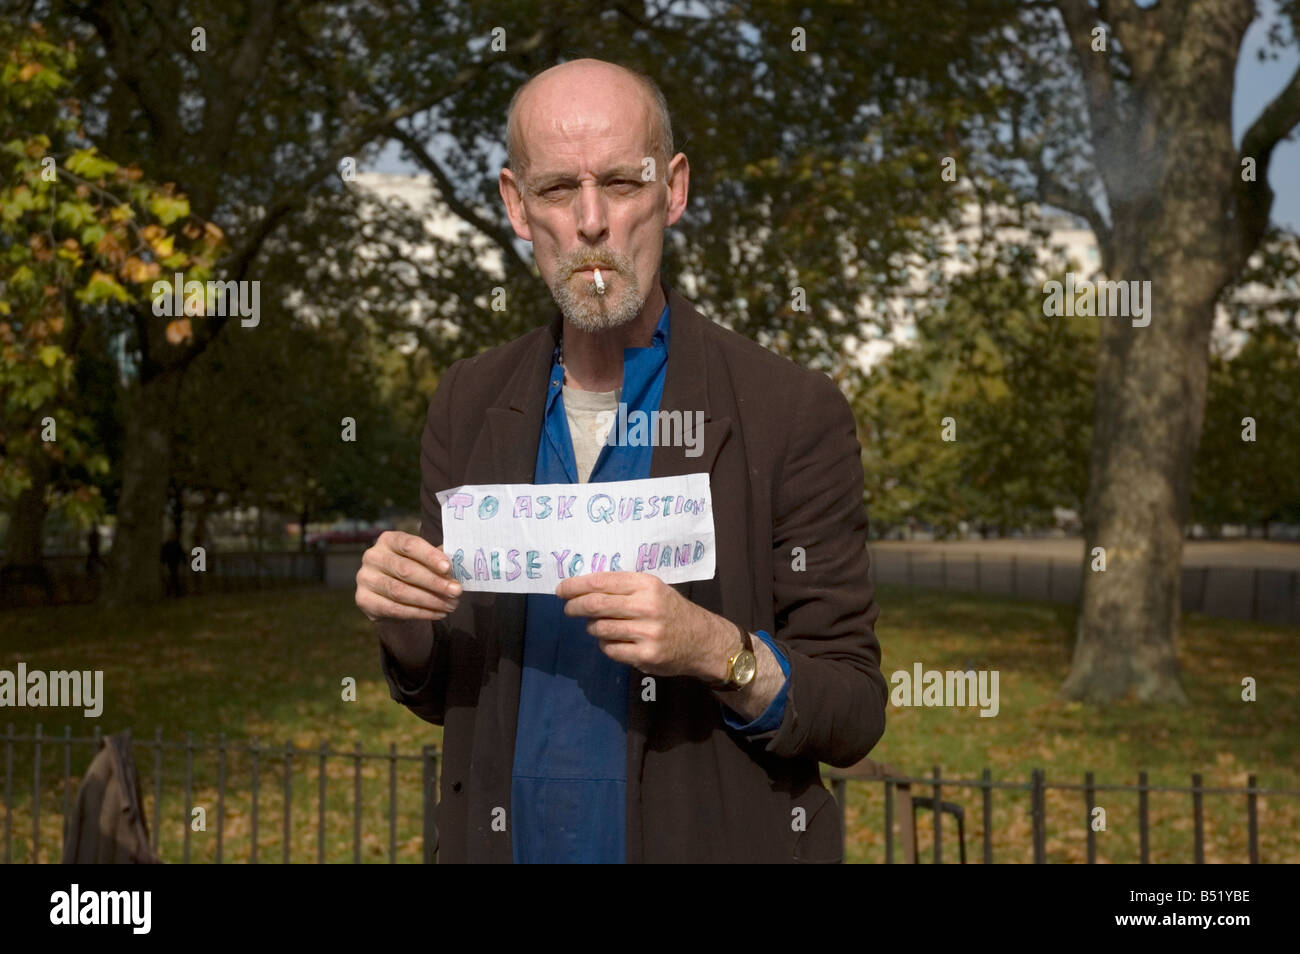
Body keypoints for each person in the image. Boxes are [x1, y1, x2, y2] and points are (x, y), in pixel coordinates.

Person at [355, 58, 886, 863]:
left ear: (672, 191)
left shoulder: (790, 412)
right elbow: (455, 694)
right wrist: (405, 629)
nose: (592, 221)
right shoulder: (467, 403)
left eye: (622, 184)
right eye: (560, 190)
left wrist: (719, 651)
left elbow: (852, 710)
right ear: (516, 207)